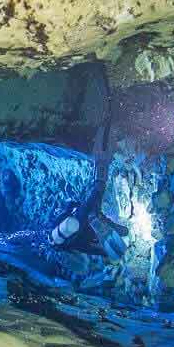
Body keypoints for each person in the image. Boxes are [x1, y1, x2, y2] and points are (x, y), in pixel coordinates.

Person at [49, 69, 129, 262]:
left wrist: (93, 191)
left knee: (97, 189)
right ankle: (101, 218)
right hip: (81, 226)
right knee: (97, 196)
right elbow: (88, 246)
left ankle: (110, 106)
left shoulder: (72, 225)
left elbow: (89, 198)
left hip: (82, 223)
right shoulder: (72, 233)